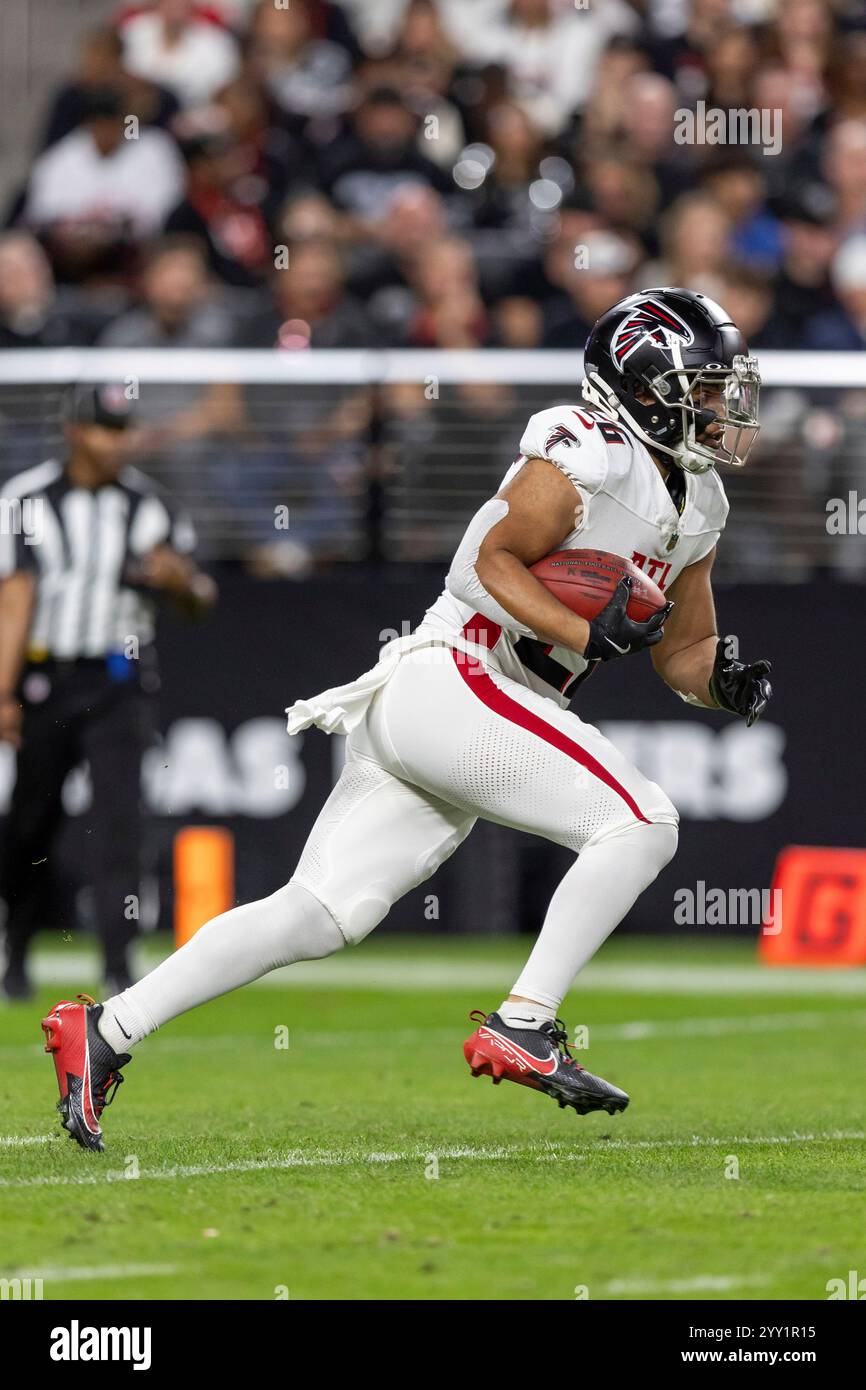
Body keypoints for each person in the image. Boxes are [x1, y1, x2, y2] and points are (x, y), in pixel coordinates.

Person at [40, 289, 772, 1152]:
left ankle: (103, 1032)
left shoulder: (702, 505)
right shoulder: (591, 451)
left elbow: (682, 652)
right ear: (645, 387)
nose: (724, 406)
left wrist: (720, 683)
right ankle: (524, 1022)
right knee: (643, 821)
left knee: (318, 912)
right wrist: (583, 627)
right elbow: (478, 566)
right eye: (707, 385)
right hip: (455, 674)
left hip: (471, 705)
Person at [0, 385, 216, 1001]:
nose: (116, 442)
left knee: (121, 821)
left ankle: (119, 965)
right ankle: (17, 949)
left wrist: (183, 582)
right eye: (104, 429)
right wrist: (5, 690)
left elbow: (199, 600)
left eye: (123, 430)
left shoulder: (152, 507)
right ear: (75, 432)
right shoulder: (26, 499)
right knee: (30, 823)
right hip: (46, 677)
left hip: (119, 680)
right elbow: (14, 596)